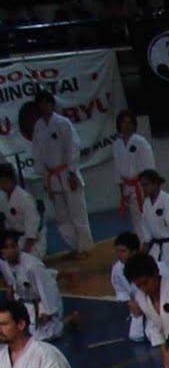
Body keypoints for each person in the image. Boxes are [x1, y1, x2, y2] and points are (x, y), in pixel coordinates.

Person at [27, 90, 93, 254]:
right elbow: (37, 152)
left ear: (52, 104)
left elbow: (73, 147)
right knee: (62, 216)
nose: (44, 106)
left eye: (46, 102)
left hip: (67, 173)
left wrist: (71, 171)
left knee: (78, 212)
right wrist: (43, 175)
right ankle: (74, 245)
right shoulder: (38, 127)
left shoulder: (63, 123)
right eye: (40, 104)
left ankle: (85, 247)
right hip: (52, 177)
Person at [0, 229, 63, 342]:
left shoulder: (32, 266)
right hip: (23, 303)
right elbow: (11, 283)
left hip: (41, 303)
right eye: (7, 247)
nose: (12, 250)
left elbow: (48, 288)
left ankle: (70, 320)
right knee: (10, 334)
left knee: (37, 339)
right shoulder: (3, 263)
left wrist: (48, 312)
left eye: (13, 246)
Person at [136, 168, 169, 274]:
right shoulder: (146, 204)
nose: (143, 189)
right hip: (156, 248)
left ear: (155, 184)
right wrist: (141, 255)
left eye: (146, 185)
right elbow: (146, 234)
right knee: (156, 277)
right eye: (142, 186)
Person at [112, 109, 156, 218]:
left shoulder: (141, 142)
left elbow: (149, 165)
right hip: (127, 186)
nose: (127, 126)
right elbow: (117, 168)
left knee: (148, 215)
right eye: (124, 122)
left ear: (134, 125)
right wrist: (121, 188)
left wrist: (148, 186)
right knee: (136, 218)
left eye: (129, 122)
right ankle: (141, 235)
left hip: (141, 184)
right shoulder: (117, 144)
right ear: (119, 125)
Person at [111, 231, 145, 341]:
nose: (119, 255)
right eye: (117, 251)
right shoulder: (117, 269)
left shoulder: (149, 264)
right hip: (136, 306)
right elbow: (121, 291)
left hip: (155, 304)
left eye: (123, 251)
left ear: (134, 252)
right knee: (136, 336)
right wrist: (130, 303)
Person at [0, 164, 41, 255]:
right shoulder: (3, 198)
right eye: (0, 182)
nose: (3, 185)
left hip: (32, 242)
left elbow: (32, 231)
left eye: (5, 181)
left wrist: (25, 253)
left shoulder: (25, 198)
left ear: (13, 180)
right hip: (14, 239)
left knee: (26, 265)